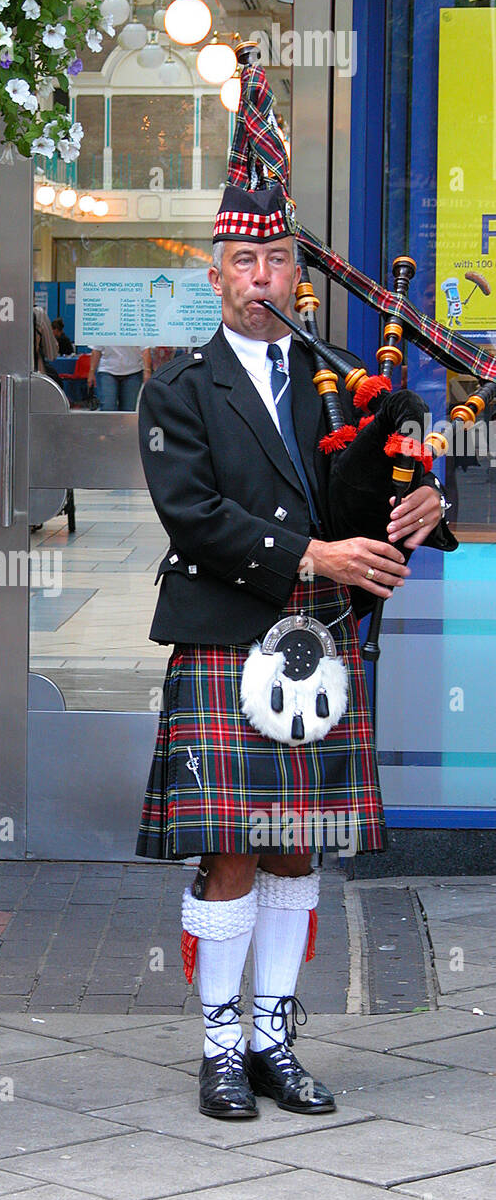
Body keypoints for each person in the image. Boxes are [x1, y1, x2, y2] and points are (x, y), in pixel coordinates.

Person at [136, 184, 454, 1121]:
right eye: (244, 260)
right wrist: (311, 552)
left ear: (299, 274)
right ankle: (219, 1050)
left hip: (322, 638)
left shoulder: (347, 377)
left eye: (277, 258)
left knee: (296, 849)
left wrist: (424, 510)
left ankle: (273, 1041)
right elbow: (191, 515)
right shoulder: (177, 385)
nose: (262, 276)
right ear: (216, 275)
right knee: (232, 848)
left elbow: (392, 481)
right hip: (226, 634)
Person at [88, 342, 153, 411]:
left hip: (133, 371)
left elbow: (145, 349)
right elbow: (96, 350)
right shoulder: (103, 332)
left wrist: (147, 371)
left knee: (128, 410)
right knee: (108, 407)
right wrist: (91, 372)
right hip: (107, 370)